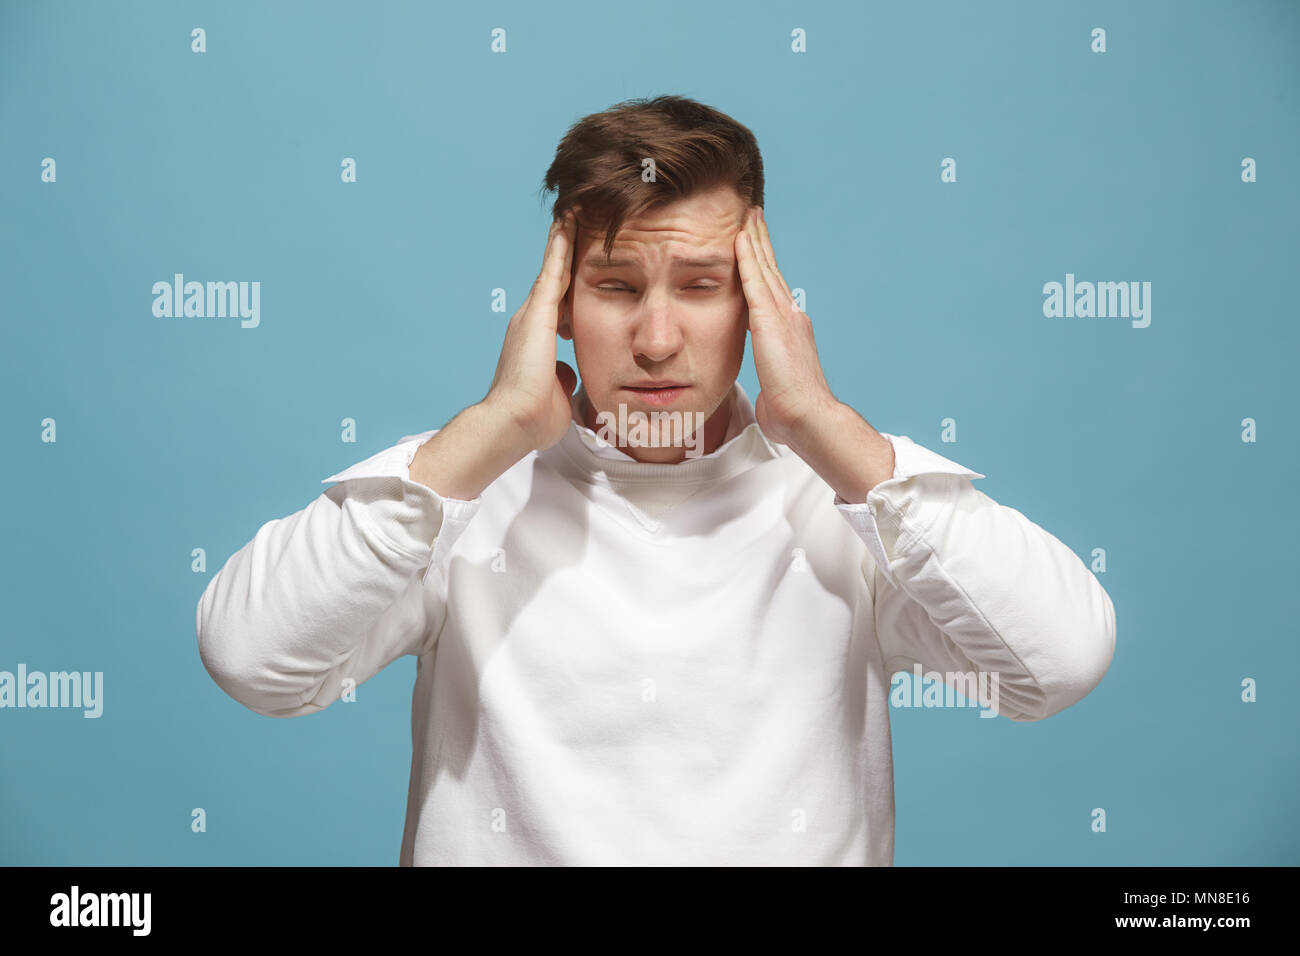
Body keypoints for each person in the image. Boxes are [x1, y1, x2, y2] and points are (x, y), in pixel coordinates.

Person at [196, 94, 1116, 865]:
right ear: (559, 303)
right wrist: (487, 436)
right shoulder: (460, 498)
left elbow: (1058, 663)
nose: (658, 340)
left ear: (761, 306)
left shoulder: (851, 505)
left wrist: (830, 432)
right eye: (617, 285)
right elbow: (252, 660)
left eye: (703, 286)